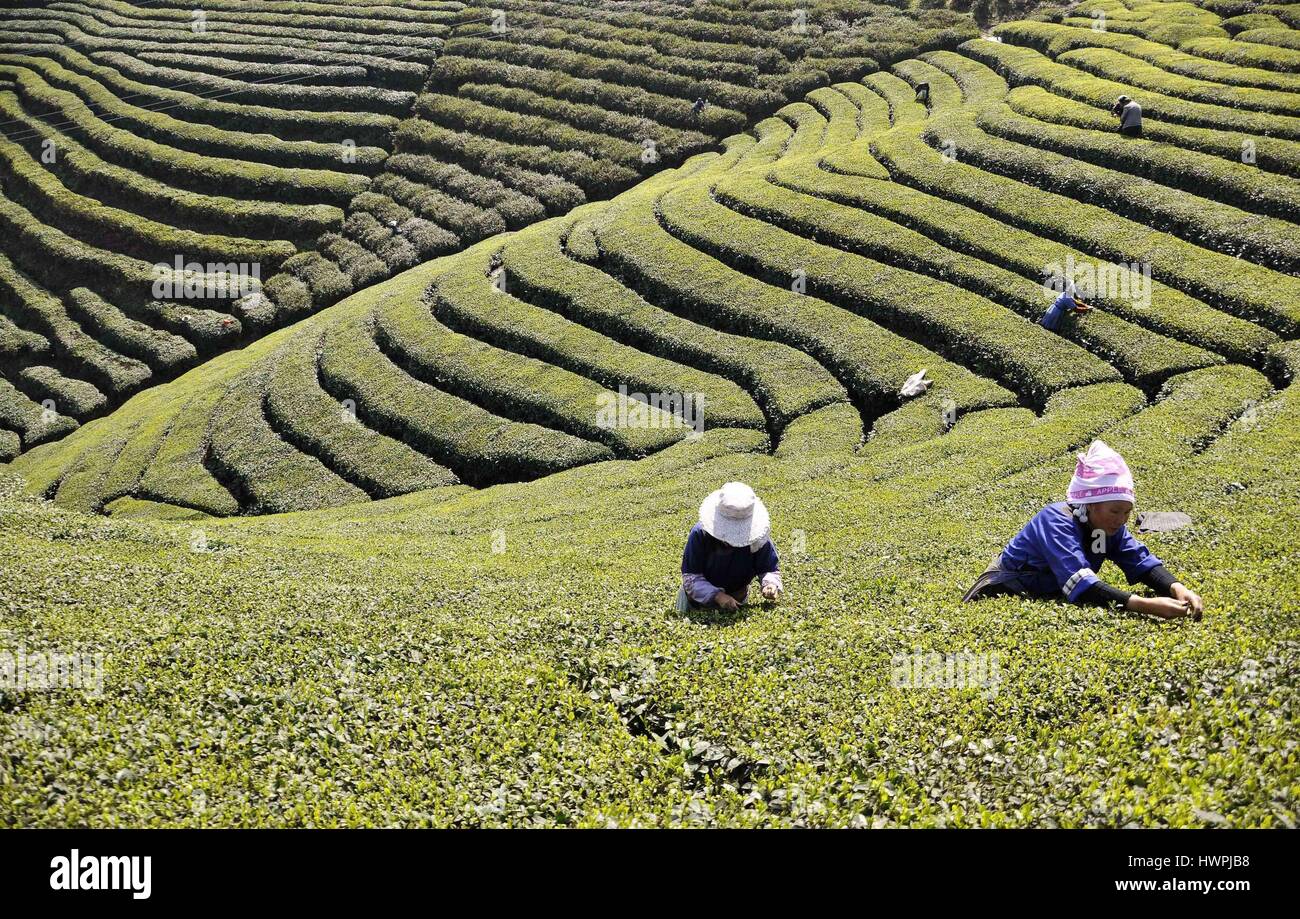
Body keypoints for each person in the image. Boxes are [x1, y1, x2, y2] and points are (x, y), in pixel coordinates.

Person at [962, 440, 1204, 619]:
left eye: (1127, 512)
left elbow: (1137, 559)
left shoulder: (1108, 527)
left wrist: (1177, 588)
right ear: (1089, 506)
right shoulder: (1056, 521)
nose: (1121, 520)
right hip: (1008, 587)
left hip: (1050, 588)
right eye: (1115, 511)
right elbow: (1079, 580)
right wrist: (1144, 605)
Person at [677, 481, 783, 613]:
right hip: (697, 603)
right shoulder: (700, 534)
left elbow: (768, 567)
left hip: (737, 600)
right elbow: (691, 577)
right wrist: (718, 596)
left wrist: (770, 584)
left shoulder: (757, 537)